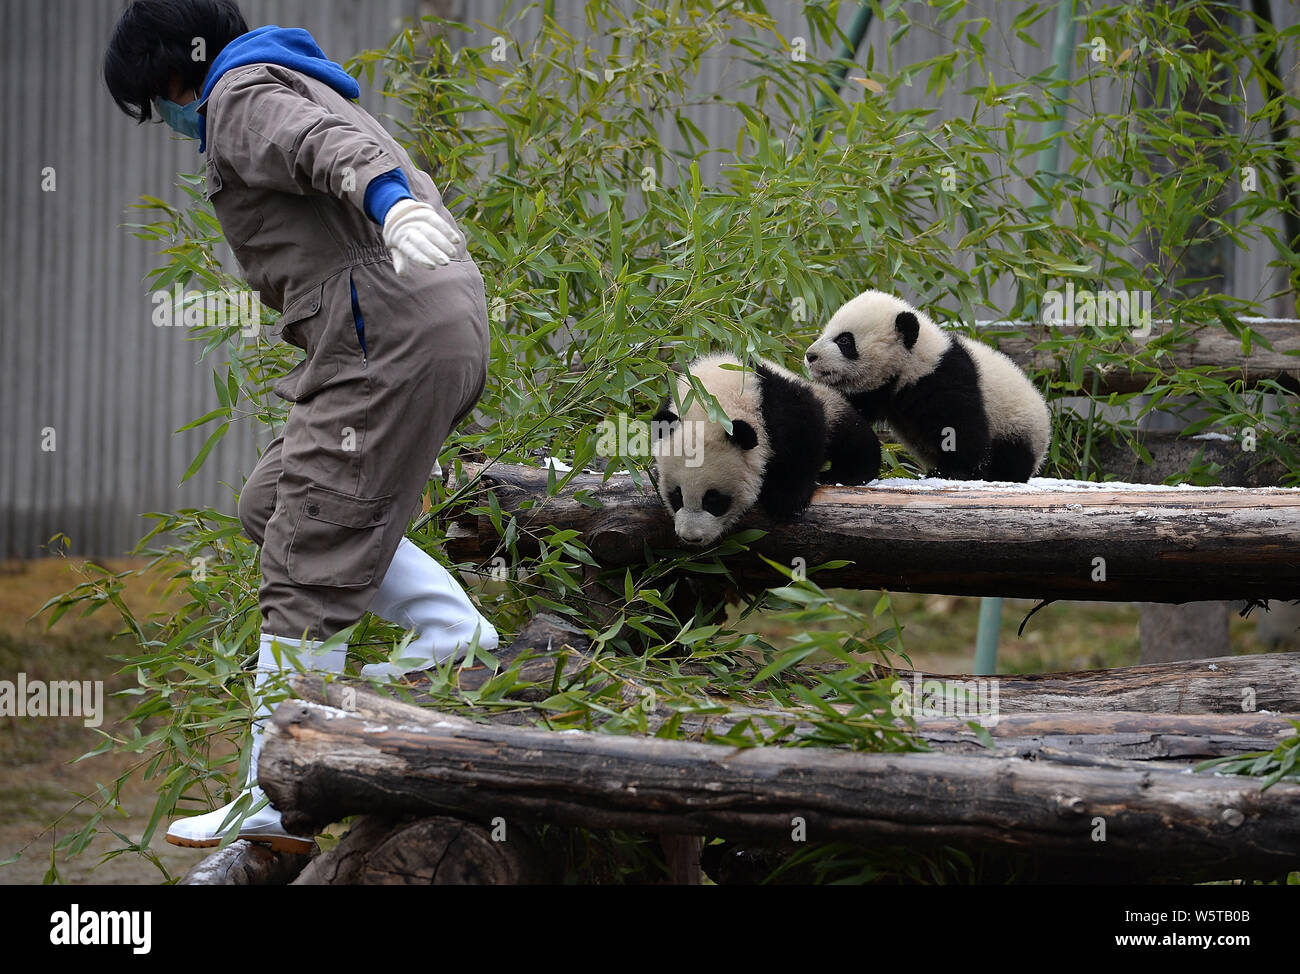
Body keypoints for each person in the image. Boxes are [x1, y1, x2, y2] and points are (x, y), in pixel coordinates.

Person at [104, 0, 499, 853]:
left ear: (180, 69)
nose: (169, 120)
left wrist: (390, 204)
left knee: (307, 549)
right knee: (274, 502)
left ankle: (276, 797)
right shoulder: (289, 74)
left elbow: (322, 150)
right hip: (419, 320)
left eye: (158, 101)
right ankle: (454, 633)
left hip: (383, 330)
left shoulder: (240, 92)